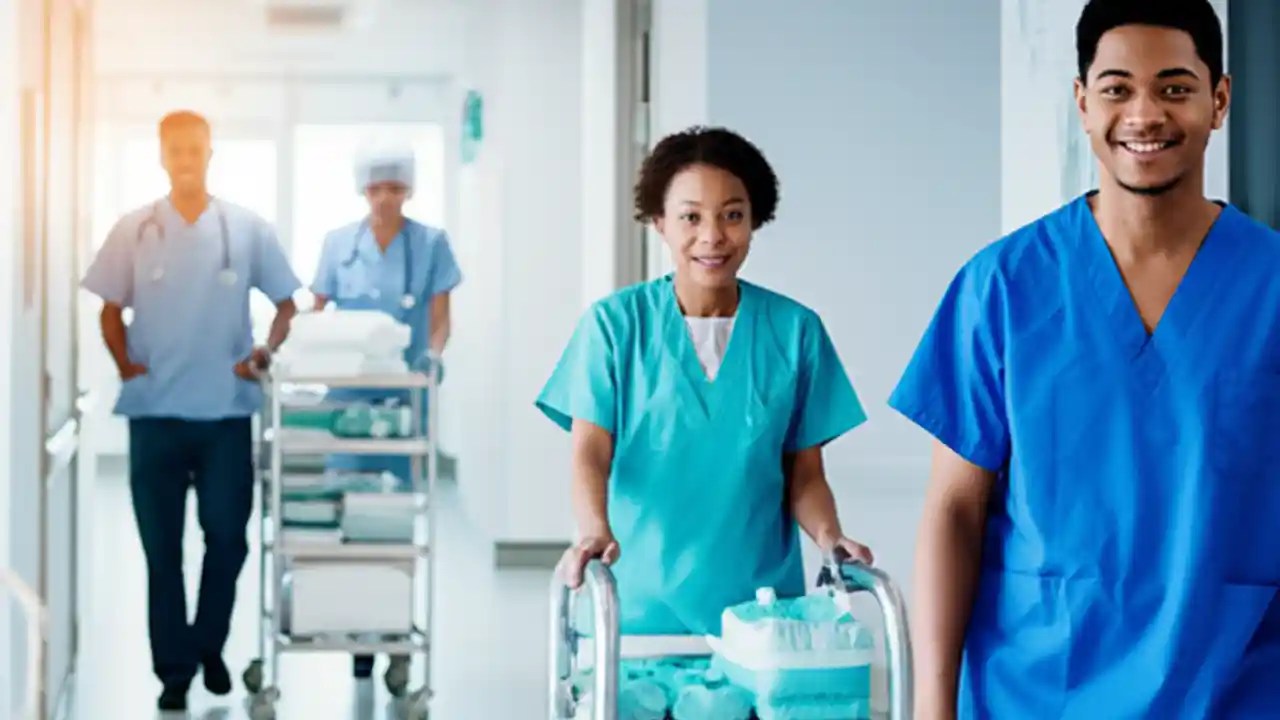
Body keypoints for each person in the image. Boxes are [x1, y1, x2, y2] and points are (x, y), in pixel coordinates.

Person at [890, 2, 1280, 717]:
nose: (1144, 114)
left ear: (1218, 100)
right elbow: (953, 510)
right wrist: (931, 704)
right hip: (1037, 693)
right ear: (1081, 101)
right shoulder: (1004, 285)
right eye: (1116, 88)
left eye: (1174, 87)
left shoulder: (1272, 285)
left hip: (1234, 688)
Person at [537, 126, 874, 638]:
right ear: (659, 223)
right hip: (639, 610)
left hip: (760, 613)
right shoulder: (615, 326)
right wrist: (593, 531)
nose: (713, 236)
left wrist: (831, 538)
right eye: (691, 217)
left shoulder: (795, 330)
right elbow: (590, 453)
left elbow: (804, 473)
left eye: (732, 215)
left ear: (755, 220)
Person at [81, 110, 301, 711]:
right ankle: (174, 672)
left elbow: (287, 304)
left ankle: (208, 643)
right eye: (175, 149)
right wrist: (126, 365)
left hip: (226, 416)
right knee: (162, 551)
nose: (185, 158)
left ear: (210, 153)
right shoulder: (135, 228)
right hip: (155, 417)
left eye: (195, 149)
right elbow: (107, 309)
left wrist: (265, 350)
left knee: (228, 541)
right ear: (161, 155)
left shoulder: (246, 228)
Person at [310, 141, 462, 679]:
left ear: (409, 191)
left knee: (395, 518)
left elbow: (440, 316)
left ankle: (396, 633)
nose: (385, 199)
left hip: (403, 399)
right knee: (349, 513)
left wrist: (434, 356)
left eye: (395, 189)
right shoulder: (337, 245)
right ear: (363, 190)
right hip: (347, 400)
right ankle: (358, 631)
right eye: (376, 189)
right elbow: (318, 313)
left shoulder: (430, 245)